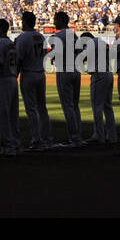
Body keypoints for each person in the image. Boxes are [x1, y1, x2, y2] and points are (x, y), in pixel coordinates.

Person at [15, 12, 53, 150]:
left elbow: (18, 59)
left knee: (31, 109)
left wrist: (15, 74)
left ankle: (37, 140)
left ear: (24, 22)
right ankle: (47, 138)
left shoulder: (23, 38)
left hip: (29, 73)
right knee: (42, 108)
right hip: (40, 73)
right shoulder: (41, 36)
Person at [48, 11, 84, 147]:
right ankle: (78, 136)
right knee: (74, 105)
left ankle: (74, 138)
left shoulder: (60, 35)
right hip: (76, 69)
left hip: (65, 70)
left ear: (61, 20)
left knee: (68, 106)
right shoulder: (73, 35)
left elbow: (53, 55)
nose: (54, 21)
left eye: (56, 19)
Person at [0, 19, 21, 155]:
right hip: (13, 79)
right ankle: (16, 144)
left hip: (3, 79)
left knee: (2, 114)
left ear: (1, 28)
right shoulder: (12, 44)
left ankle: (8, 146)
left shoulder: (0, 43)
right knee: (13, 114)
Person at [83, 31, 116, 144]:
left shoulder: (91, 43)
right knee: (107, 106)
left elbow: (82, 57)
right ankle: (112, 136)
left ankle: (99, 135)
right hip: (108, 73)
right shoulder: (102, 42)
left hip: (99, 75)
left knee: (97, 106)